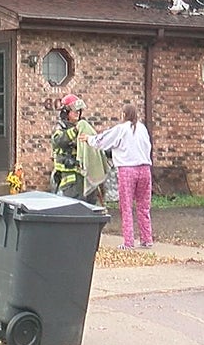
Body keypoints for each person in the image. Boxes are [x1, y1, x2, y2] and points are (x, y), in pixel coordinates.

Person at [82, 104, 153, 249]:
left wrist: (89, 139)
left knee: (126, 206)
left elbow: (103, 140)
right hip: (145, 169)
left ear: (123, 114)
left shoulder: (121, 129)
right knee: (143, 206)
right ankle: (147, 238)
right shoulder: (142, 129)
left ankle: (128, 241)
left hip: (127, 170)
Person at [50, 94, 109, 203]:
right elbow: (57, 141)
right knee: (74, 208)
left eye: (79, 110)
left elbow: (92, 145)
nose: (77, 113)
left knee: (90, 206)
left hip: (84, 175)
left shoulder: (84, 127)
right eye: (74, 110)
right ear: (66, 112)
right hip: (69, 177)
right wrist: (75, 131)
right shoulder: (60, 128)